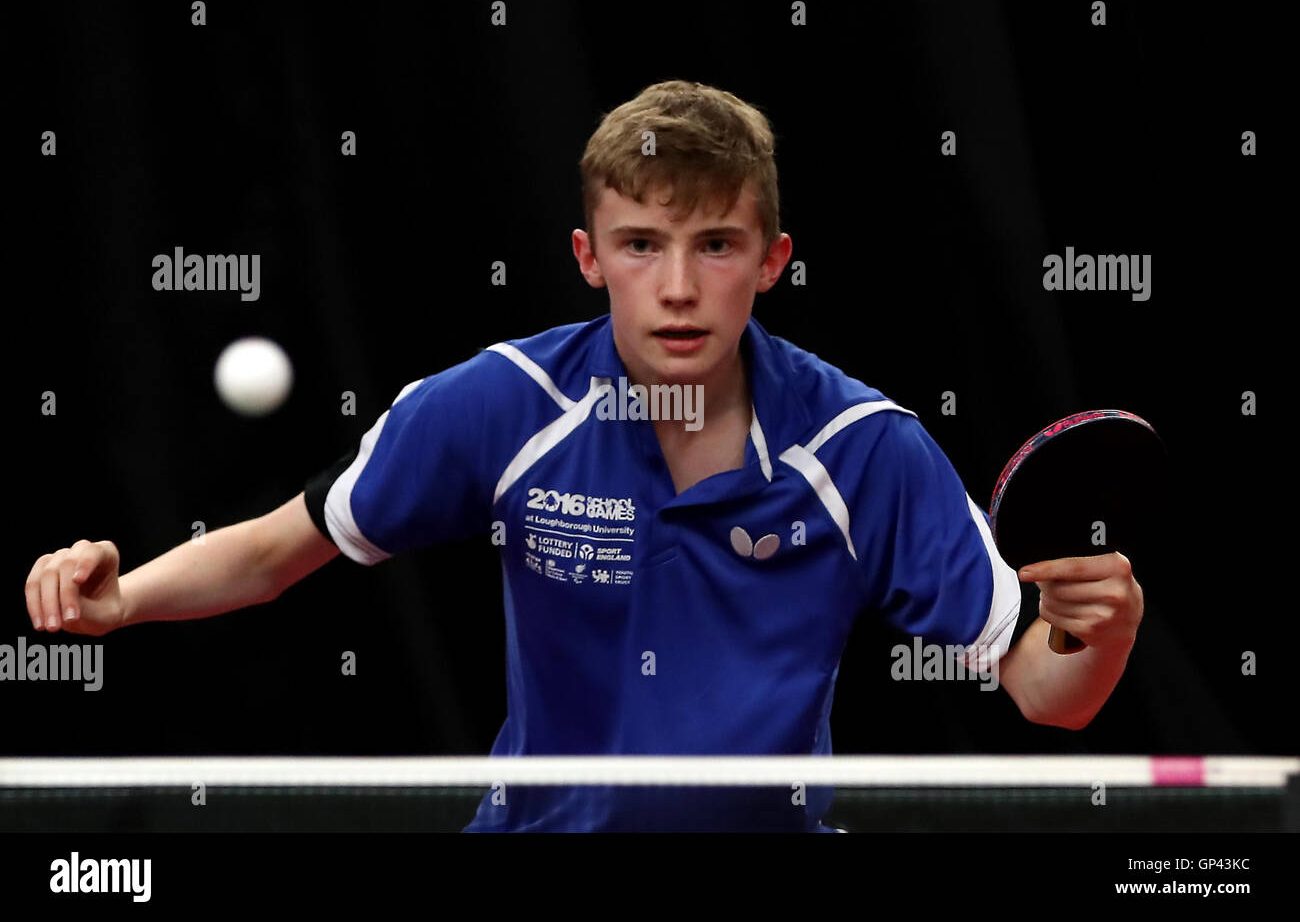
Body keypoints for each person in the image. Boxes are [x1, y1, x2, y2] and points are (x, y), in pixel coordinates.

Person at [23, 80, 1145, 832]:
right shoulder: (505, 407)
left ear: (772, 260)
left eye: (715, 245)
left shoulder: (864, 450)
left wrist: (1104, 634)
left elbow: (1048, 693)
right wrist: (126, 600)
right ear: (586, 255)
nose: (674, 285)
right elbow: (275, 551)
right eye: (640, 245)